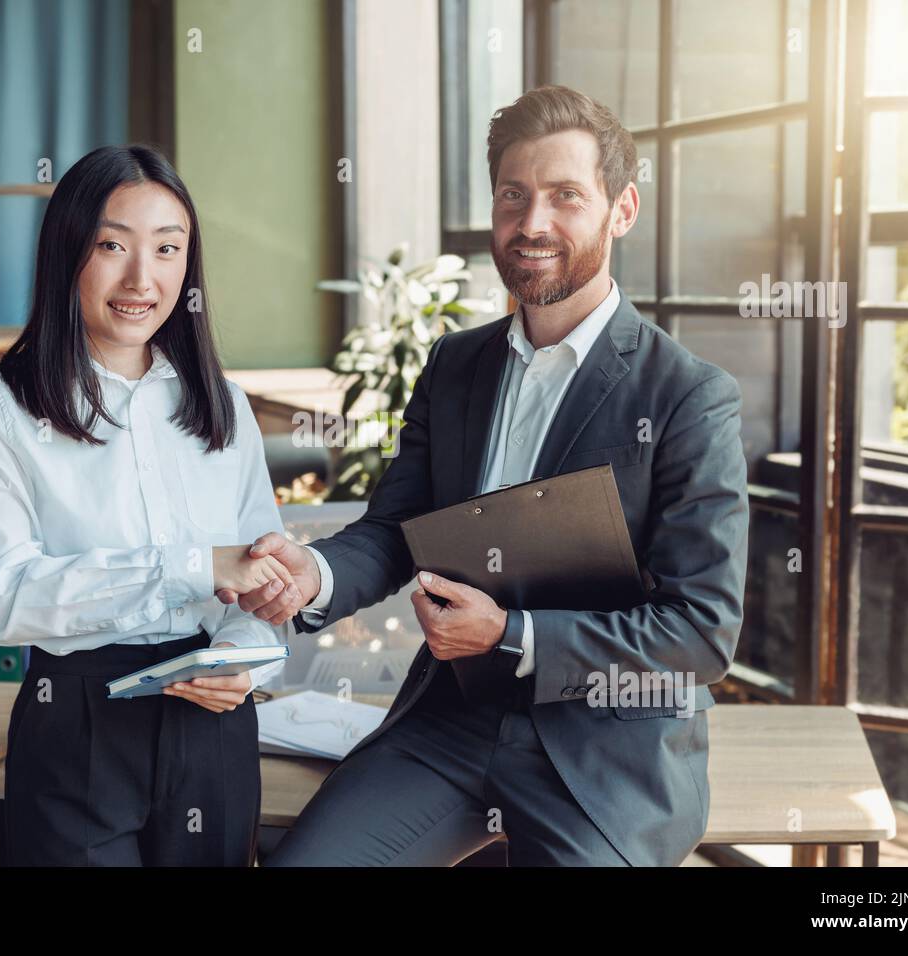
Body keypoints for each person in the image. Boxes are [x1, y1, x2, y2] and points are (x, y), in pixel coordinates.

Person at [221, 85, 749, 866]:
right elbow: (393, 533)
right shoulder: (455, 365)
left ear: (622, 209)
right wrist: (315, 574)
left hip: (603, 752)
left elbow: (700, 630)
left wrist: (512, 634)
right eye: (513, 196)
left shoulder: (688, 397)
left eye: (566, 196)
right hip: (450, 724)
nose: (532, 224)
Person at [0, 144, 293, 866]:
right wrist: (192, 567)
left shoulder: (223, 406)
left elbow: (267, 583)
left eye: (168, 250)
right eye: (113, 246)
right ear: (68, 251)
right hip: (75, 723)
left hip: (212, 726)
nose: (143, 278)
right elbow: (5, 598)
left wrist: (242, 658)